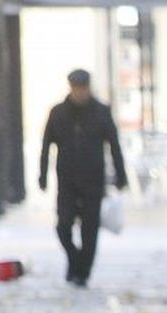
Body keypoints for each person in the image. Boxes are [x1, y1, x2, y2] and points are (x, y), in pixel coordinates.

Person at [39, 69, 127, 288]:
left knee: (90, 229)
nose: (80, 93)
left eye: (83, 88)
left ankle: (82, 272)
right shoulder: (58, 113)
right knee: (63, 226)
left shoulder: (101, 112)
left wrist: (120, 174)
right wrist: (42, 175)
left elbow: (114, 145)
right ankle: (74, 260)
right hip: (67, 179)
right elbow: (46, 145)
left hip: (93, 179)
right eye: (76, 89)